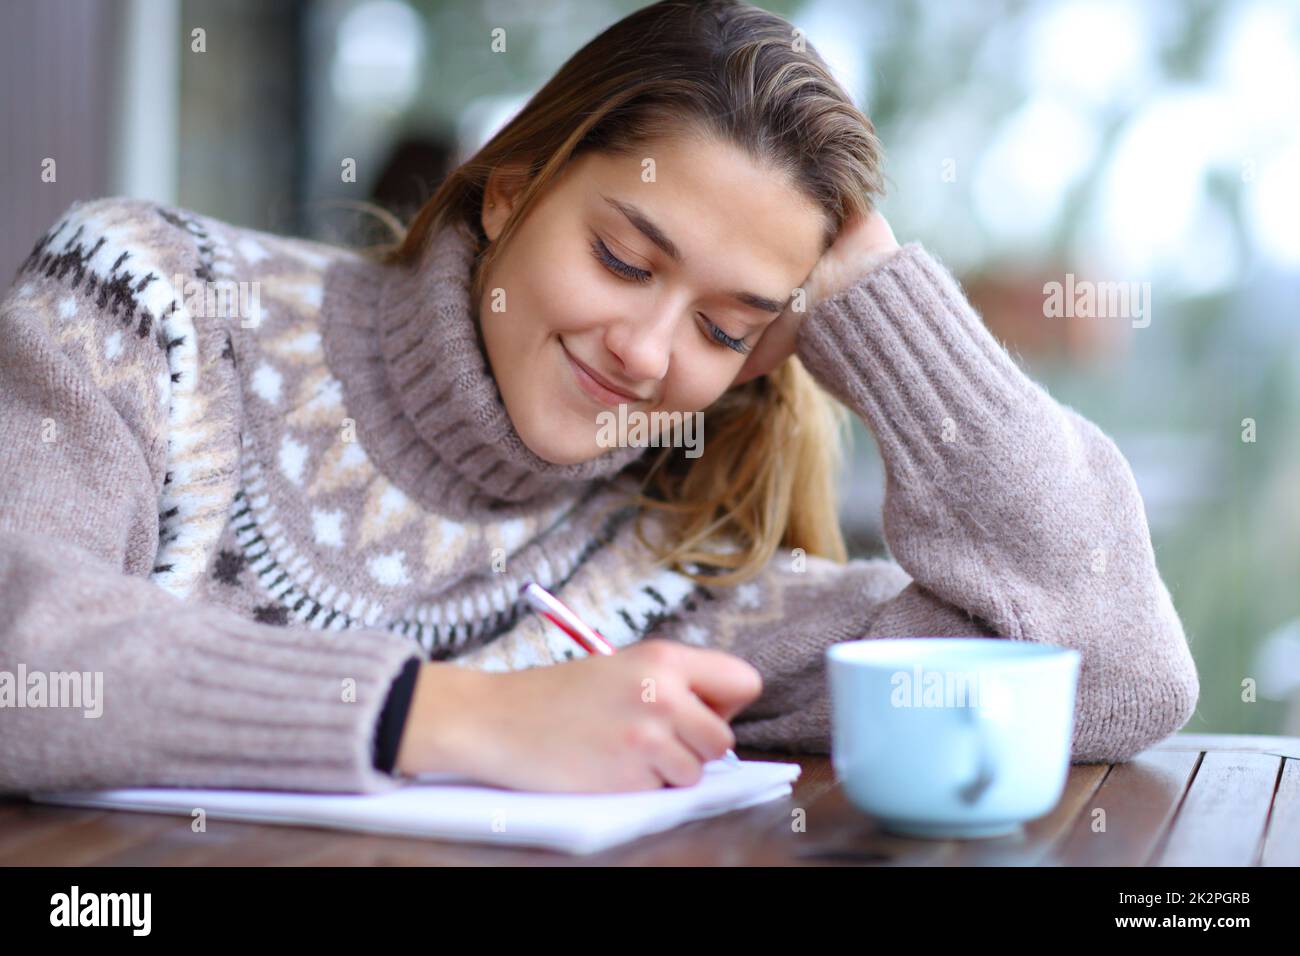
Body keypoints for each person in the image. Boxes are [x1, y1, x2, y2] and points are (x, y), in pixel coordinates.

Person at [0, 0, 1197, 796]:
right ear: (509, 189)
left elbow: (1120, 672)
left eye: (726, 326)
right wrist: (450, 715)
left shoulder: (675, 585)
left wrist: (887, 315)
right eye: (625, 258)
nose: (645, 348)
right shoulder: (144, 298)